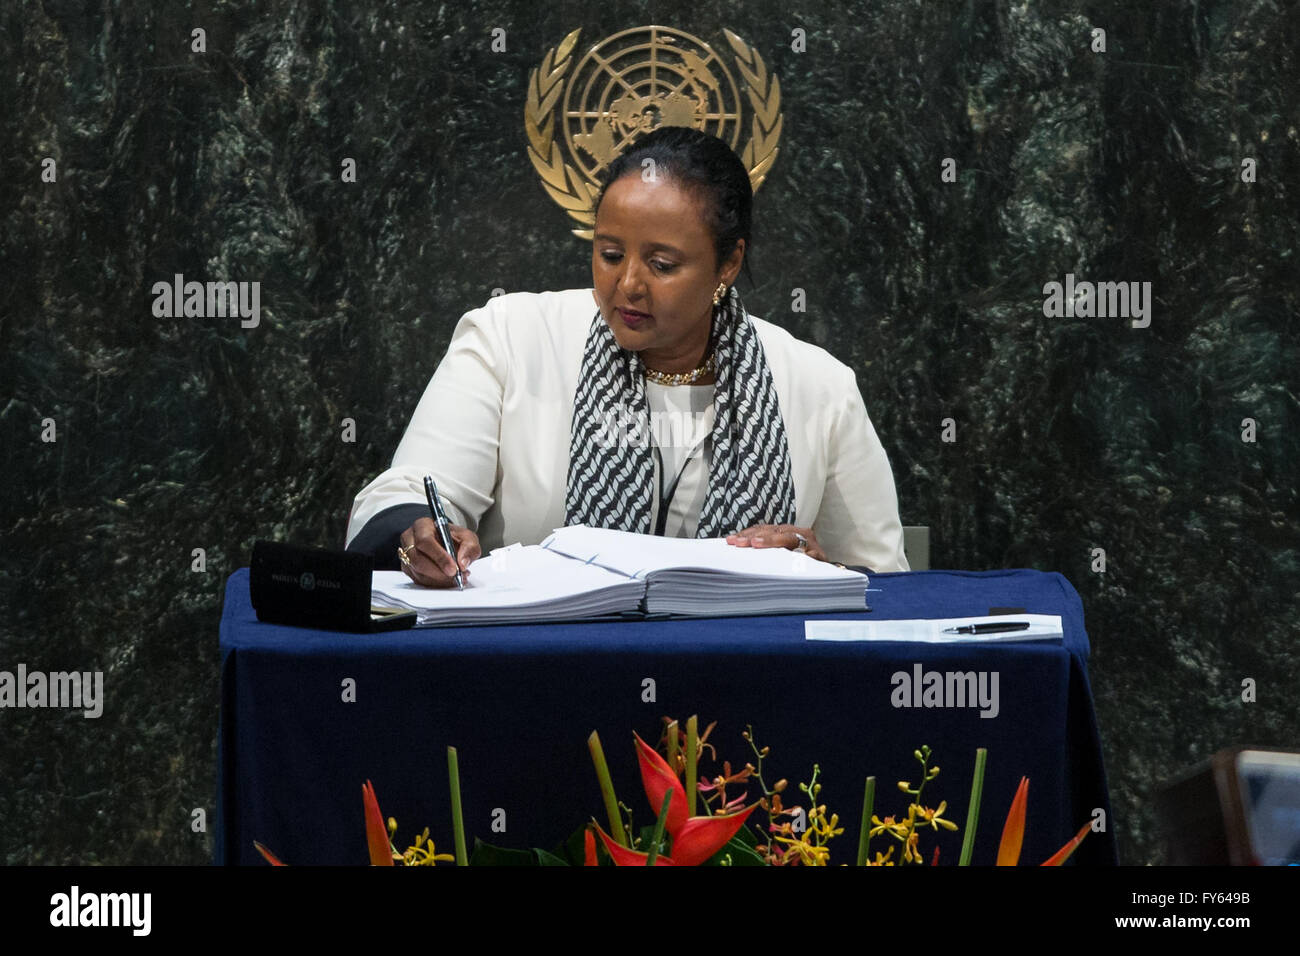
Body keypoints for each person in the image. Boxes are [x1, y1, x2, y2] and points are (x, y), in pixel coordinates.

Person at [344, 125, 909, 587]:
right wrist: (421, 534)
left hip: (737, 696)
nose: (628, 285)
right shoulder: (511, 339)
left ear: (729, 264)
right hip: (532, 673)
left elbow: (885, 585)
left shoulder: (818, 387)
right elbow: (403, 494)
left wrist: (819, 573)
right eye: (610, 254)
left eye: (662, 265)